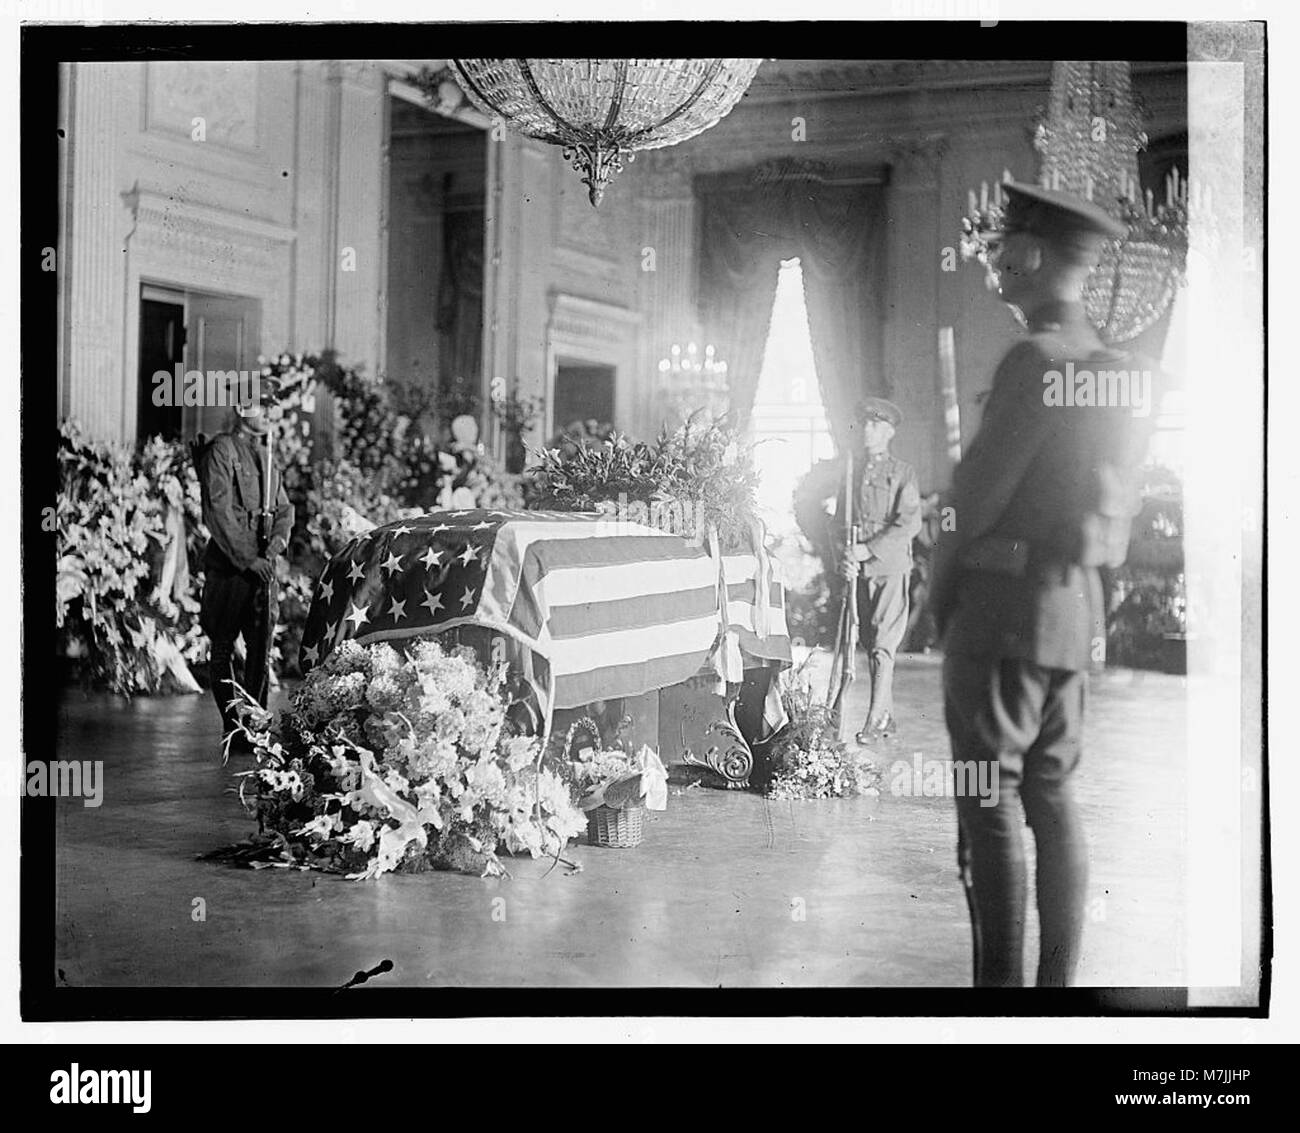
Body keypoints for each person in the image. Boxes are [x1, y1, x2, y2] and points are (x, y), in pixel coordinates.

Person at [928, 182, 1151, 986]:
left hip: (1001, 614)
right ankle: (1055, 995)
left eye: (1004, 245)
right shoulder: (1115, 368)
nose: (995, 260)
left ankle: (1001, 1007)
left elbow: (974, 502)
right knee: (1051, 796)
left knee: (989, 803)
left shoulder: (1034, 360)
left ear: (1029, 253)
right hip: (1072, 616)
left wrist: (936, 591)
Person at [195, 385, 294, 753]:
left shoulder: (267, 456)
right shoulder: (222, 450)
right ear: (241, 407)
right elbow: (218, 512)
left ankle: (255, 724)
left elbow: (285, 510)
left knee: (260, 648)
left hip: (264, 566)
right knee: (222, 646)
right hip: (231, 566)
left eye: (273, 405)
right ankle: (233, 724)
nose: (270, 412)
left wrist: (276, 547)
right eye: (262, 404)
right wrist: (247, 559)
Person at [835, 397, 922, 742]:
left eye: (874, 425)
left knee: (882, 646)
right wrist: (842, 553)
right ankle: (885, 715)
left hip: (890, 567)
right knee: (869, 642)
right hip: (859, 570)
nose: (866, 430)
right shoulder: (852, 471)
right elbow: (839, 521)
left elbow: (909, 523)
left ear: (889, 431)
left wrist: (868, 549)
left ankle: (873, 721)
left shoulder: (902, 473)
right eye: (865, 424)